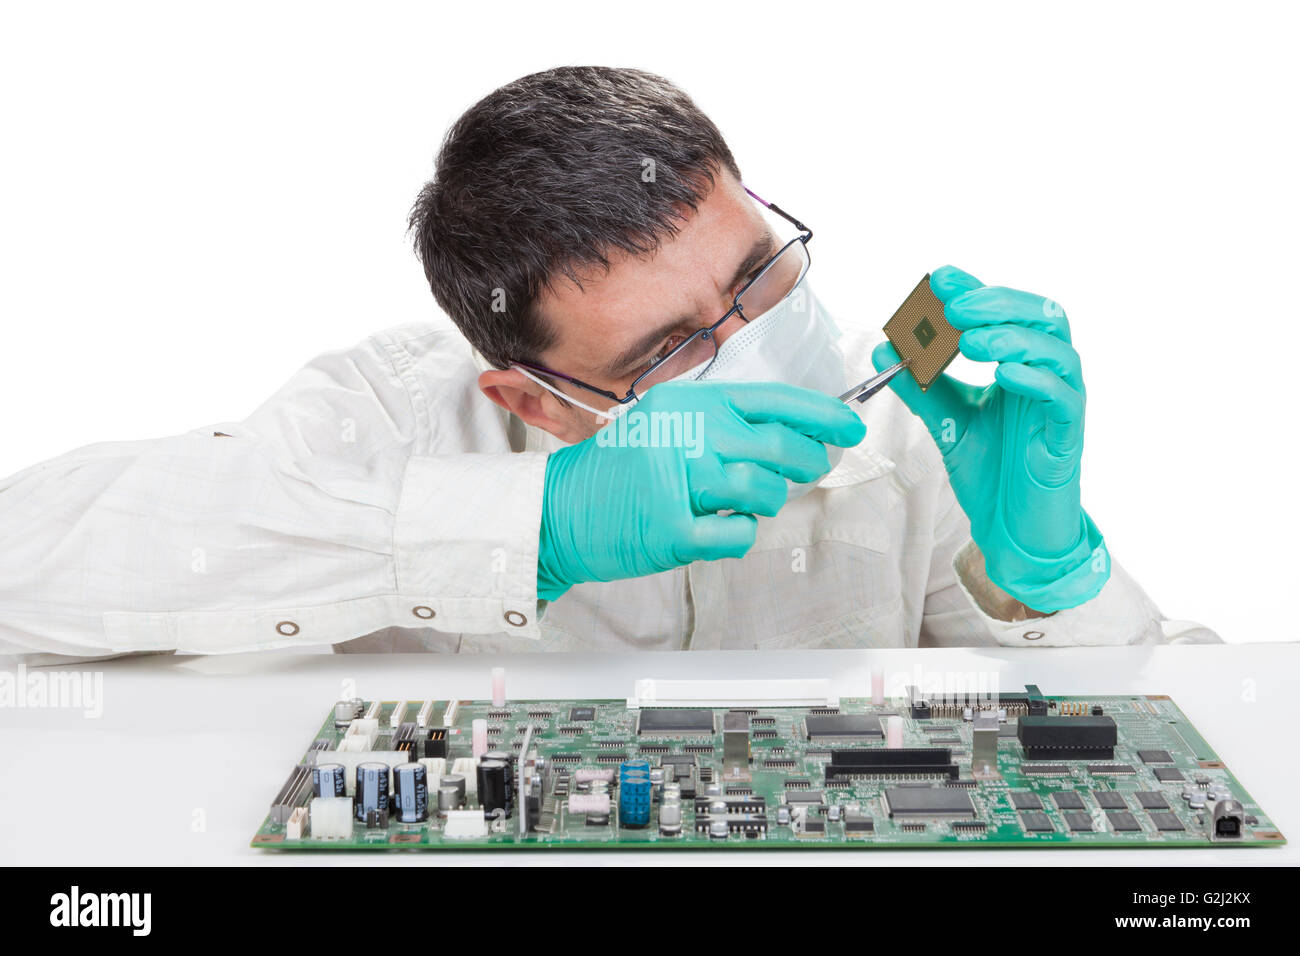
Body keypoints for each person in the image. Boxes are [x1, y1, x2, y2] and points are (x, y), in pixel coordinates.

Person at [0, 66, 1219, 659]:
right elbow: (23, 567)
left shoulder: (902, 426)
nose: (750, 341)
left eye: (755, 275)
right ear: (530, 394)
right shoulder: (390, 415)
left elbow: (1157, 784)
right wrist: (532, 525)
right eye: (673, 345)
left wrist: (1046, 577)